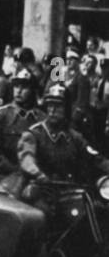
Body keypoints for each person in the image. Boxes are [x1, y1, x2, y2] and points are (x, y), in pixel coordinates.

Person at [17, 83, 109, 216]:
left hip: (68, 192)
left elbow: (96, 159)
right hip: (41, 192)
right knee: (43, 216)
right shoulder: (34, 133)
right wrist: (38, 174)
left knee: (96, 211)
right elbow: (26, 158)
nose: (52, 110)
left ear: (66, 109)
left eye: (58, 106)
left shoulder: (74, 137)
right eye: (50, 105)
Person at [0, 68, 43, 196]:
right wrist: (17, 170)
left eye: (24, 87)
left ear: (33, 91)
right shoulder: (0, 115)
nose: (18, 91)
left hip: (32, 179)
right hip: (0, 176)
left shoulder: (41, 119)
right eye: (16, 86)